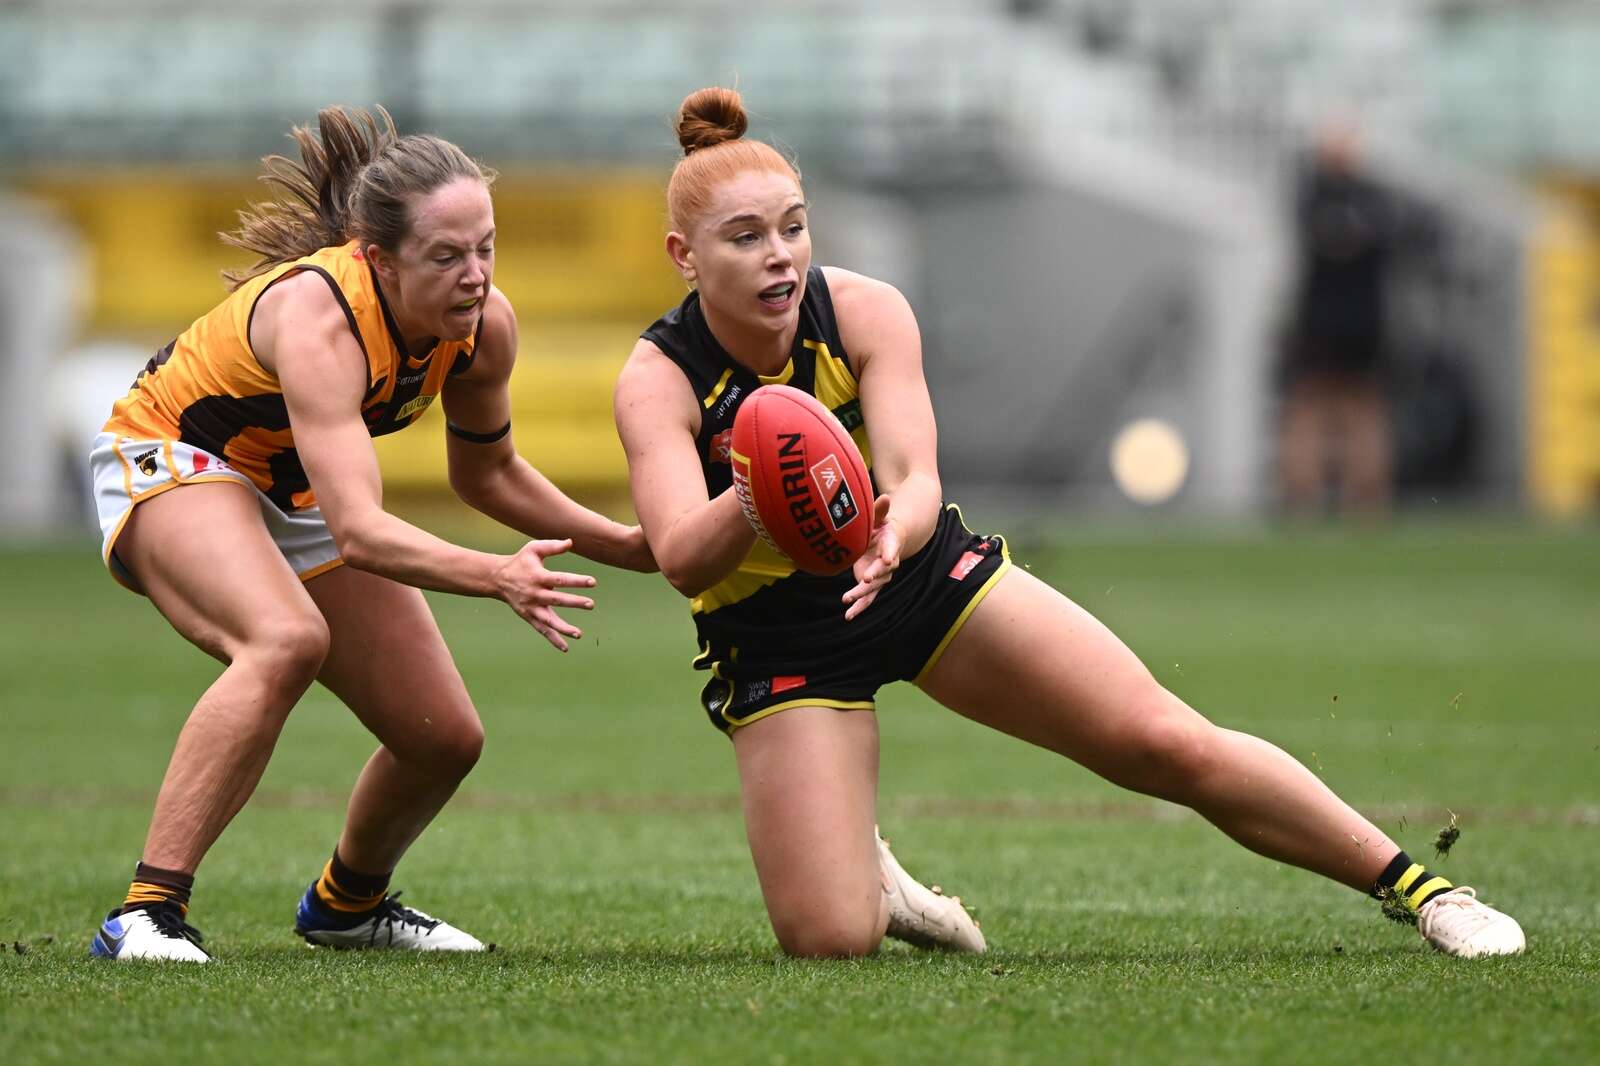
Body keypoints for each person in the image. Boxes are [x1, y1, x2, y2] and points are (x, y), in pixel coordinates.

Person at [613, 87, 1525, 960]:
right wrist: (760, 485)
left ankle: (1428, 895)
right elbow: (683, 561)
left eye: (793, 226)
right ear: (684, 256)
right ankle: (875, 887)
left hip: (915, 575)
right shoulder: (658, 379)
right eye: (745, 238)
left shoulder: (862, 310)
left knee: (1163, 740)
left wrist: (896, 530)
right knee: (828, 938)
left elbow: (915, 474)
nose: (781, 255)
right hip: (777, 636)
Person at [87, 106, 653, 962]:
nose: (474, 276)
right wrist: (497, 575)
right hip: (170, 459)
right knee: (283, 640)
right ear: (378, 260)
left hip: (285, 485)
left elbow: (487, 473)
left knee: (441, 737)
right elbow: (359, 530)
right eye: (446, 256)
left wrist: (630, 544)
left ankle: (347, 905)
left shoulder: (483, 327)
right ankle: (146, 912)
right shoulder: (320, 319)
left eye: (485, 247)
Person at [1277, 119, 1403, 519]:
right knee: (1336, 409)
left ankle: (1338, 498)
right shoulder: (1367, 200)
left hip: (1337, 322)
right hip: (1347, 322)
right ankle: (1329, 497)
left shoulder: (1315, 197)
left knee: (1332, 409)